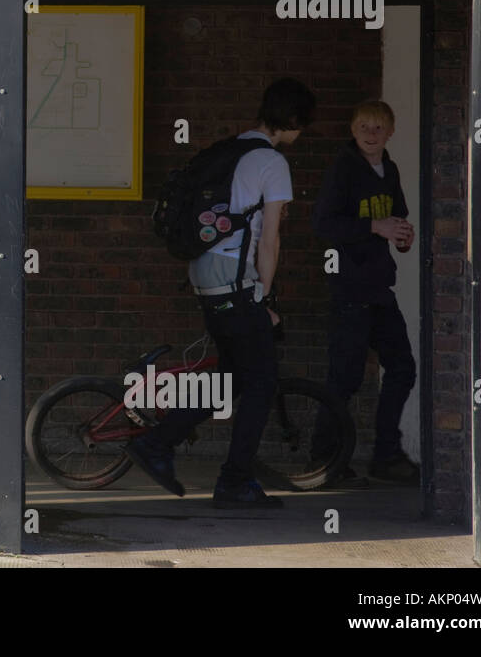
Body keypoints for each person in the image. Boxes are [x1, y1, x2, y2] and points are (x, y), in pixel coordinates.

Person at [126, 77, 316, 508]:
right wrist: (264, 298)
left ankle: (160, 444)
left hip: (205, 274)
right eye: (302, 126)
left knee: (231, 379)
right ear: (292, 121)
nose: (300, 135)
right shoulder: (272, 162)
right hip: (234, 280)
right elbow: (270, 240)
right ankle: (232, 480)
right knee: (262, 383)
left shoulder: (231, 149)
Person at [310, 100, 420, 484]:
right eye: (363, 128)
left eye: (378, 128)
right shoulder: (344, 168)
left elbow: (397, 217)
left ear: (390, 132)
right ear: (353, 130)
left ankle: (386, 455)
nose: (370, 135)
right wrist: (375, 227)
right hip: (349, 285)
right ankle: (324, 461)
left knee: (403, 367)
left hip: (378, 285)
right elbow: (323, 223)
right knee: (345, 376)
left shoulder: (388, 168)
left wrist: (402, 236)